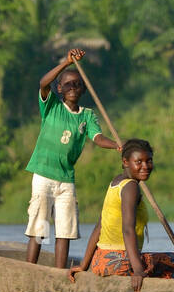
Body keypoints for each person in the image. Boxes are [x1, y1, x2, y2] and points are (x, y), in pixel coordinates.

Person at [24, 49, 119, 270]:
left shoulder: (86, 115)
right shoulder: (52, 106)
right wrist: (66, 62)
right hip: (43, 175)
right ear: (60, 89)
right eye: (67, 84)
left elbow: (97, 138)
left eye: (77, 84)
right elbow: (43, 83)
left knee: (64, 230)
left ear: (83, 89)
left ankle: (60, 273)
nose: (72, 88)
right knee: (39, 228)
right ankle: (29, 269)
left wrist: (117, 145)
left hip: (66, 179)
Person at [68, 139, 174, 291]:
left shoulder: (116, 182)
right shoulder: (131, 187)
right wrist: (138, 270)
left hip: (100, 262)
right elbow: (128, 229)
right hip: (119, 263)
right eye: (138, 162)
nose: (145, 166)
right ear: (125, 162)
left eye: (149, 161)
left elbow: (99, 227)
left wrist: (84, 264)